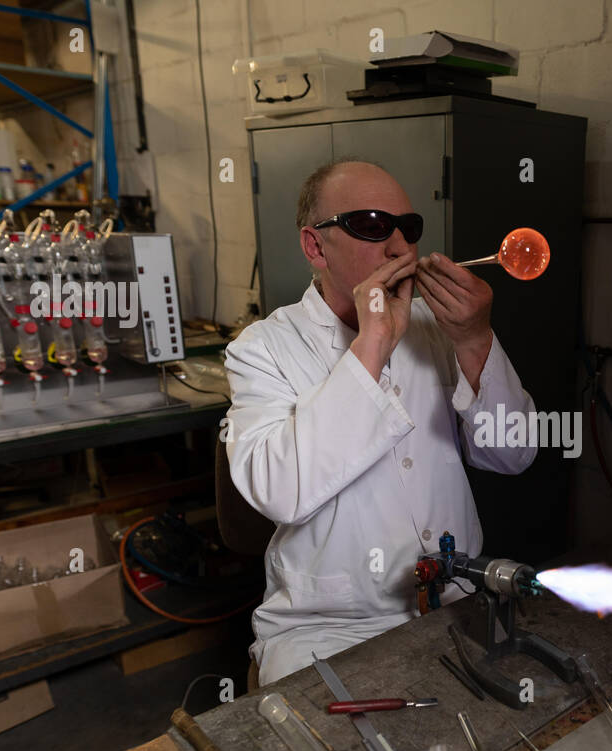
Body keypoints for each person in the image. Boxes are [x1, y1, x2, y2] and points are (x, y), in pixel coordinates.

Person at [223, 160, 537, 686]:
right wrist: (372, 343)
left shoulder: (437, 329)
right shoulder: (263, 350)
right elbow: (278, 491)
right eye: (370, 225)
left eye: (407, 229)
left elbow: (514, 453)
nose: (398, 247)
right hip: (328, 626)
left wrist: (474, 339)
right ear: (315, 247)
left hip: (456, 598)